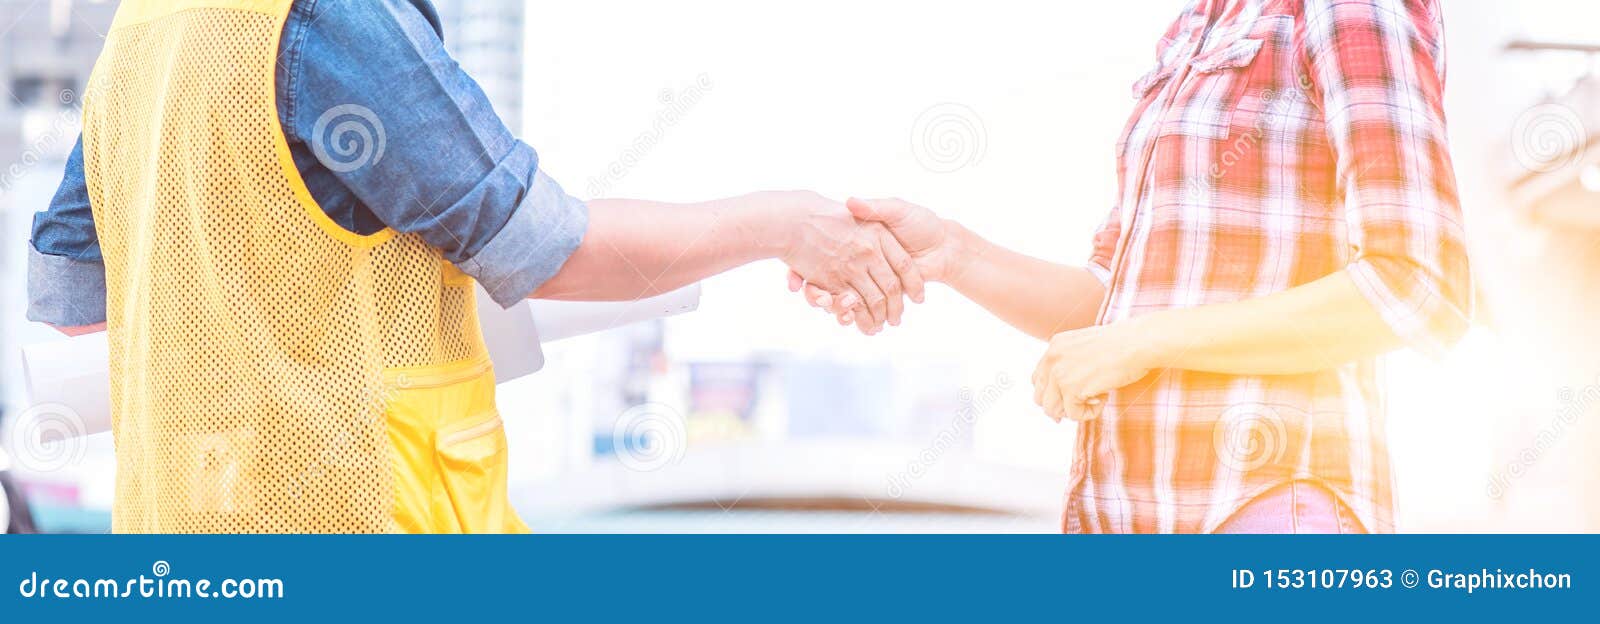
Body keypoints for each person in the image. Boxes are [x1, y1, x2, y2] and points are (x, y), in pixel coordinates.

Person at [25, 0, 918, 533]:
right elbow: (546, 247)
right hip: (365, 525)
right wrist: (780, 225)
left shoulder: (145, 25)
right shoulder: (329, 19)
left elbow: (74, 298)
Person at [795, 0, 1472, 533]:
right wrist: (952, 253)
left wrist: (1141, 342)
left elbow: (1416, 286)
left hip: (1270, 511)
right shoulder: (1197, 25)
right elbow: (1114, 304)